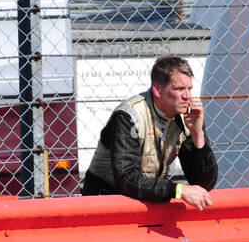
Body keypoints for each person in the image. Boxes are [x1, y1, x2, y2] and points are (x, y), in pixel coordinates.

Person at [82, 55, 218, 210]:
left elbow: (204, 183)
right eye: (179, 89)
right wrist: (178, 190)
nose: (187, 96)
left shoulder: (188, 116)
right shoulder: (129, 116)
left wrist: (197, 134)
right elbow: (127, 179)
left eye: (189, 89)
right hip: (106, 198)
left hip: (147, 197)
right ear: (158, 89)